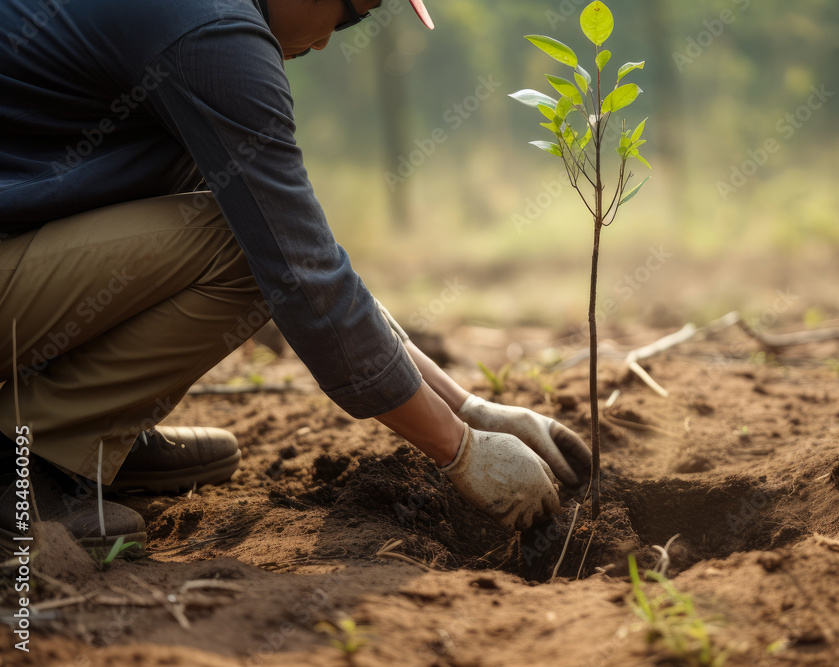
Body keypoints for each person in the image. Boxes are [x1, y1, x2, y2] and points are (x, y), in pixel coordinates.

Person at [0, 0, 590, 552]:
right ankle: (29, 463)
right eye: (352, 14)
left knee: (234, 217)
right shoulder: (214, 36)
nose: (331, 40)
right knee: (242, 246)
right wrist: (459, 451)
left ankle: (79, 432)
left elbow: (305, 258)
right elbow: (296, 268)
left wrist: (468, 409)